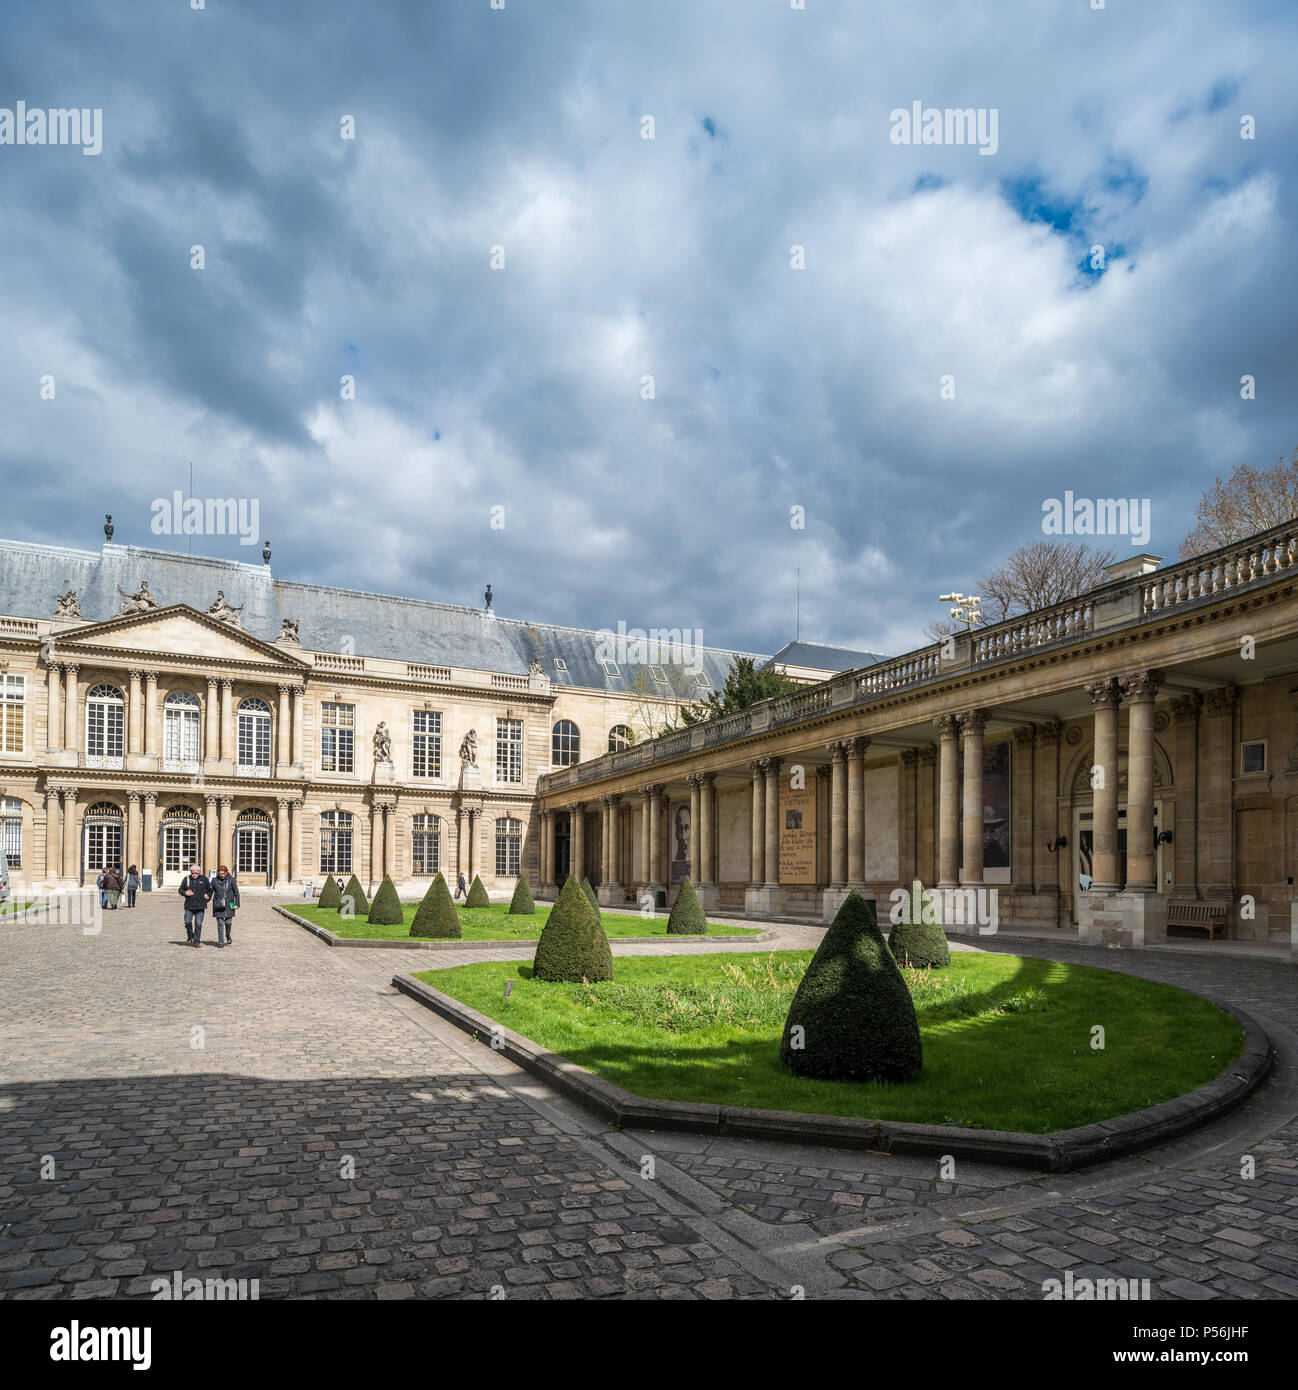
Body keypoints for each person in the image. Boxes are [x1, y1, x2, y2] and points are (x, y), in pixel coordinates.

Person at [178, 863, 212, 947]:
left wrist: (208, 896)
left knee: (198, 923)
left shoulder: (204, 879)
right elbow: (180, 890)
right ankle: (190, 935)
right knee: (187, 922)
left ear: (199, 872)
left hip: (200, 906)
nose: (194, 875)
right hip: (189, 905)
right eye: (192, 873)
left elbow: (210, 890)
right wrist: (185, 892)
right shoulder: (186, 879)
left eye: (196, 873)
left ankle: (197, 940)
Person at [210, 864, 240, 949]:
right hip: (218, 904)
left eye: (223, 873)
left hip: (230, 903)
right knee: (220, 924)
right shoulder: (214, 880)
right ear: (218, 873)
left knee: (228, 922)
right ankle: (221, 942)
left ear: (226, 873)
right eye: (220, 873)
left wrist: (237, 904)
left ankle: (228, 935)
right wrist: (206, 897)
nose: (222, 875)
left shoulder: (231, 880)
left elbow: (236, 893)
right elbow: (210, 891)